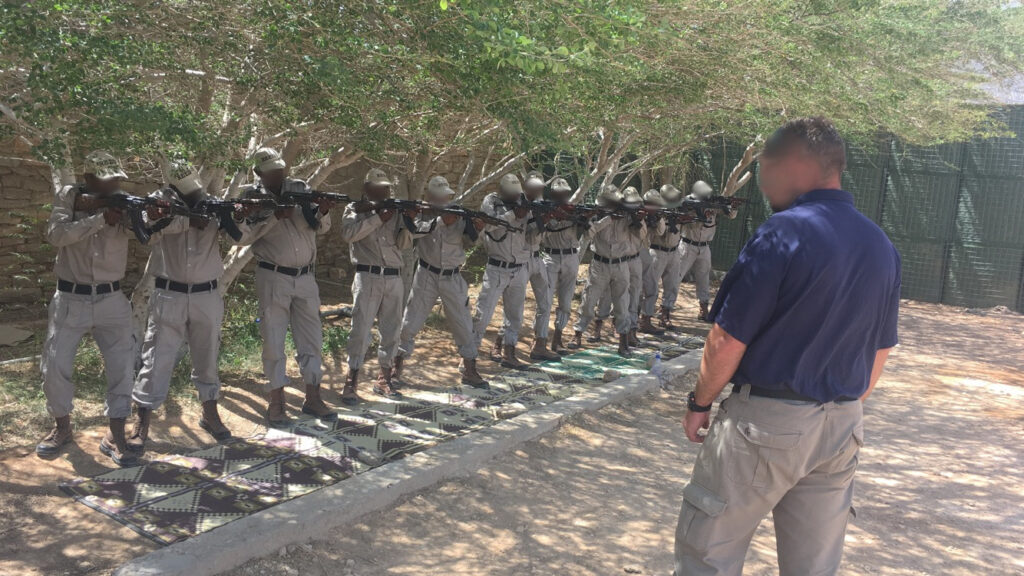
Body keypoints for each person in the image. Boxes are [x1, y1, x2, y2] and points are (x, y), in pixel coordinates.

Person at [674, 117, 901, 576]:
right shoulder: (880, 245)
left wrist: (700, 402)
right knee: (813, 565)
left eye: (767, 167)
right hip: (841, 427)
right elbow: (881, 349)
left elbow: (727, 339)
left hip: (768, 422)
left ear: (797, 166)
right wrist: (839, 406)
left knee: (708, 551)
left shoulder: (782, 233)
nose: (762, 179)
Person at [128, 159, 252, 452]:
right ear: (172, 187)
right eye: (186, 191)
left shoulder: (212, 204)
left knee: (207, 356)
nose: (193, 195)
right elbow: (147, 232)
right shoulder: (159, 204)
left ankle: (210, 414)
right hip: (168, 295)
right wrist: (186, 220)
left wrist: (238, 216)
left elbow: (240, 238)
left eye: (194, 189)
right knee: (156, 359)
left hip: (206, 296)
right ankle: (141, 422)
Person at [36, 151, 141, 466]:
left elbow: (146, 233)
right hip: (70, 298)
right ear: (90, 179)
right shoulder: (69, 196)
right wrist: (98, 219)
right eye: (108, 179)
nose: (115, 184)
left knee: (123, 366)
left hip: (112, 298)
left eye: (117, 179)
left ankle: (115, 435)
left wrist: (141, 216)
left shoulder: (125, 201)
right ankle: (62, 428)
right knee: (54, 367)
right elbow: (55, 235)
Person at [240, 147, 336, 425]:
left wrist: (324, 211)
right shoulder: (250, 197)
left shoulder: (300, 189)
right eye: (272, 170)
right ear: (259, 172)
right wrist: (273, 218)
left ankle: (313, 397)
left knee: (312, 339)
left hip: (306, 277)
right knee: (273, 340)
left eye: (281, 169)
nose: (279, 174)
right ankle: (277, 402)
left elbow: (322, 227)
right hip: (273, 277)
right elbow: (241, 237)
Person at [394, 175, 489, 388]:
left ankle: (469, 368)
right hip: (426, 275)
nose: (442, 202)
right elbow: (413, 233)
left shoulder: (460, 216)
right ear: (429, 198)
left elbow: (470, 242)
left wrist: (478, 229)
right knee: (411, 321)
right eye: (438, 198)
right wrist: (437, 220)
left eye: (444, 198)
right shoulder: (422, 215)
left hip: (453, 276)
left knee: (463, 323)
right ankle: (396, 363)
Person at [339, 168, 418, 404]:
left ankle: (384, 377)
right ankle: (351, 380)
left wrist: (409, 220)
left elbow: (405, 244)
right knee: (360, 330)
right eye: (378, 188)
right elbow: (348, 234)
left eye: (386, 188)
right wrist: (377, 218)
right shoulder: (354, 210)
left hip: (394, 277)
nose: (384, 192)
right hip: (368, 276)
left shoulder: (396, 212)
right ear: (367, 190)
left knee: (392, 330)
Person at [569, 185, 645, 357]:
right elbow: (588, 234)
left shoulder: (626, 216)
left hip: (621, 265)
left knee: (622, 303)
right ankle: (577, 334)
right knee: (589, 300)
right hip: (600, 264)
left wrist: (635, 217)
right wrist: (608, 218)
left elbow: (640, 235)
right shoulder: (598, 216)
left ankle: (623, 342)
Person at [473, 173, 535, 369]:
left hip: (519, 268)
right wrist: (512, 214)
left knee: (515, 315)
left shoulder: (524, 202)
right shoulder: (491, 201)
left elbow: (532, 236)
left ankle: (509, 353)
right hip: (497, 268)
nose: (515, 197)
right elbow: (489, 226)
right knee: (483, 315)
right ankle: (468, 358)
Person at [678, 180, 736, 322]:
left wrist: (732, 206)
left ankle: (703, 308)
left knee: (704, 278)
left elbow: (731, 215)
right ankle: (665, 309)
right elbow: (679, 211)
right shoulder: (688, 202)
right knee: (676, 276)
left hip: (704, 247)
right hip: (687, 245)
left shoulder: (713, 204)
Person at [540, 177, 586, 354]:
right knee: (545, 302)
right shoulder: (545, 210)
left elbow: (585, 231)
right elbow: (544, 229)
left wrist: (579, 218)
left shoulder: (573, 210)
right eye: (559, 193)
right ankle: (540, 340)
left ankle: (557, 338)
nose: (562, 196)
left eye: (565, 193)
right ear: (552, 194)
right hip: (550, 256)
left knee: (566, 302)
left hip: (571, 257)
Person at [641, 184, 686, 332]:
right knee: (650, 286)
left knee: (672, 285)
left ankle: (665, 315)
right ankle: (645, 318)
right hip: (657, 252)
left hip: (674, 252)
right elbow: (659, 232)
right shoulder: (656, 210)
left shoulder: (679, 209)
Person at [622, 186, 658, 346]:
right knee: (622, 298)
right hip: (620, 260)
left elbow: (642, 234)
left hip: (636, 258)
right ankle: (622, 332)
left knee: (635, 296)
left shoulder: (639, 216)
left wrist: (639, 219)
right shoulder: (619, 216)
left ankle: (632, 331)